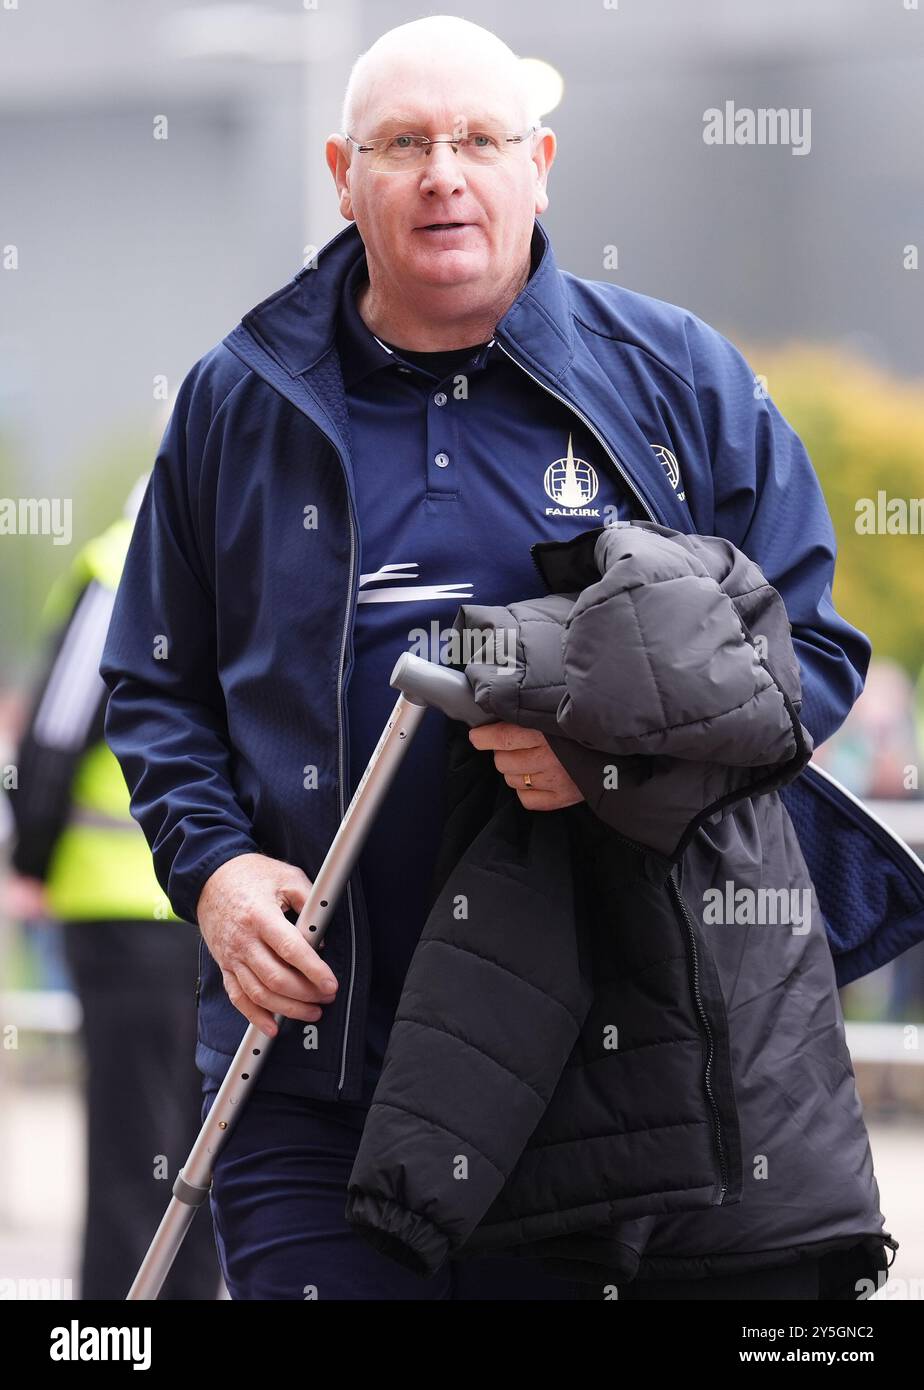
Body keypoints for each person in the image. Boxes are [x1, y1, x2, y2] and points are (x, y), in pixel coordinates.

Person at [100, 16, 891, 1300]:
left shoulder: (676, 381)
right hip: (311, 1076)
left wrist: (613, 766)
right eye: (401, 143)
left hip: (596, 1087)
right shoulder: (234, 400)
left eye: (479, 138)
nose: (441, 173)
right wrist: (215, 869)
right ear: (340, 172)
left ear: (542, 162)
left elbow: (802, 663)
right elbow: (155, 679)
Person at [5, 482, 221, 1300]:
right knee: (202, 1157)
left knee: (132, 1159)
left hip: (127, 913)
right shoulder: (232, 565)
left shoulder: (121, 560)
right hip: (219, 909)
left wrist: (30, 857)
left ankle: (112, 1343)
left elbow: (58, 731)